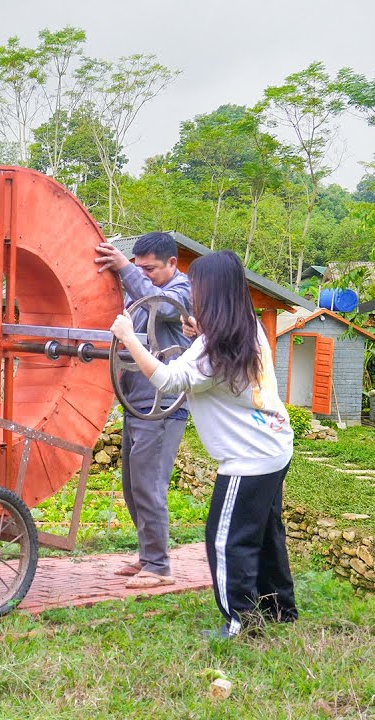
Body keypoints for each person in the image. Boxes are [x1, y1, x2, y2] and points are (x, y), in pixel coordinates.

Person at [109, 250, 296, 639]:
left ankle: (240, 624)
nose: (192, 293)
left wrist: (128, 337)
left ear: (211, 293)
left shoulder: (213, 350)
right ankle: (281, 610)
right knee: (264, 533)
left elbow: (167, 379)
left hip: (248, 459)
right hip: (276, 444)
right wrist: (197, 335)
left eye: (197, 287)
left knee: (226, 540)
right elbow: (212, 357)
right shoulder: (247, 326)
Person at [94, 231, 193, 589]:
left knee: (150, 487)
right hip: (136, 403)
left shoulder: (182, 293)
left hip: (162, 408)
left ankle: (159, 566)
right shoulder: (142, 296)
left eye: (149, 269)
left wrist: (124, 268)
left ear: (172, 264)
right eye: (138, 268)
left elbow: (163, 307)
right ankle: (147, 554)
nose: (143, 275)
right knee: (133, 488)